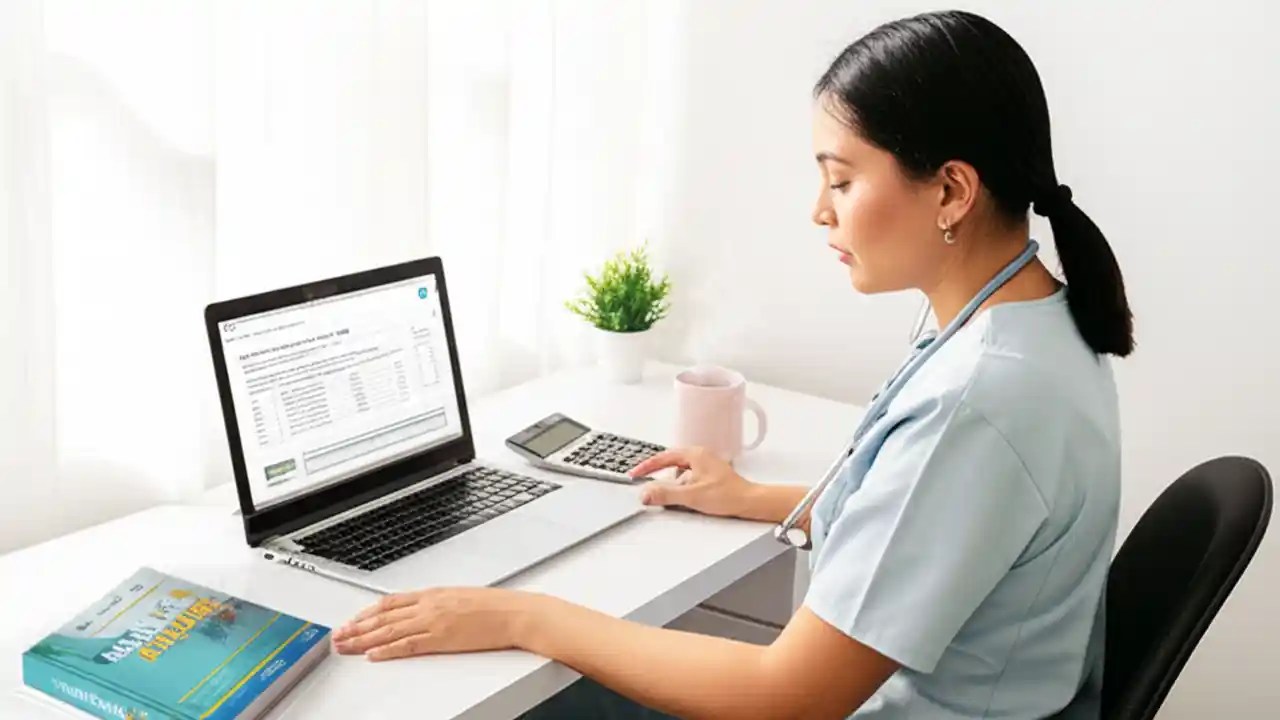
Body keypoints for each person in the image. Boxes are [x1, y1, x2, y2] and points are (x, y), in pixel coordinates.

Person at [330, 9, 1132, 719]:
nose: (819, 210)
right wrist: (753, 497)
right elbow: (939, 522)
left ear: (951, 191)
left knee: (537, 693)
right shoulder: (1034, 327)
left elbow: (790, 697)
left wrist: (524, 616)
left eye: (842, 180)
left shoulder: (981, 401)